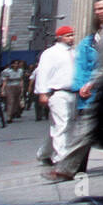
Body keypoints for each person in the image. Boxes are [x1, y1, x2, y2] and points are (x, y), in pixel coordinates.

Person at [51, 0, 103, 180]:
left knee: (88, 128)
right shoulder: (102, 31)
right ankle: (66, 168)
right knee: (88, 128)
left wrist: (96, 80)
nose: (98, 12)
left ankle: (65, 169)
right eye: (96, 9)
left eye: (102, 8)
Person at [35, 26, 77, 168]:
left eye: (72, 35)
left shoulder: (74, 52)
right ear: (59, 37)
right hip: (58, 93)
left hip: (73, 93)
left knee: (61, 125)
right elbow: (43, 73)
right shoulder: (50, 53)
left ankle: (44, 153)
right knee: (62, 124)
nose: (71, 38)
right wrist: (43, 92)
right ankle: (62, 158)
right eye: (68, 35)